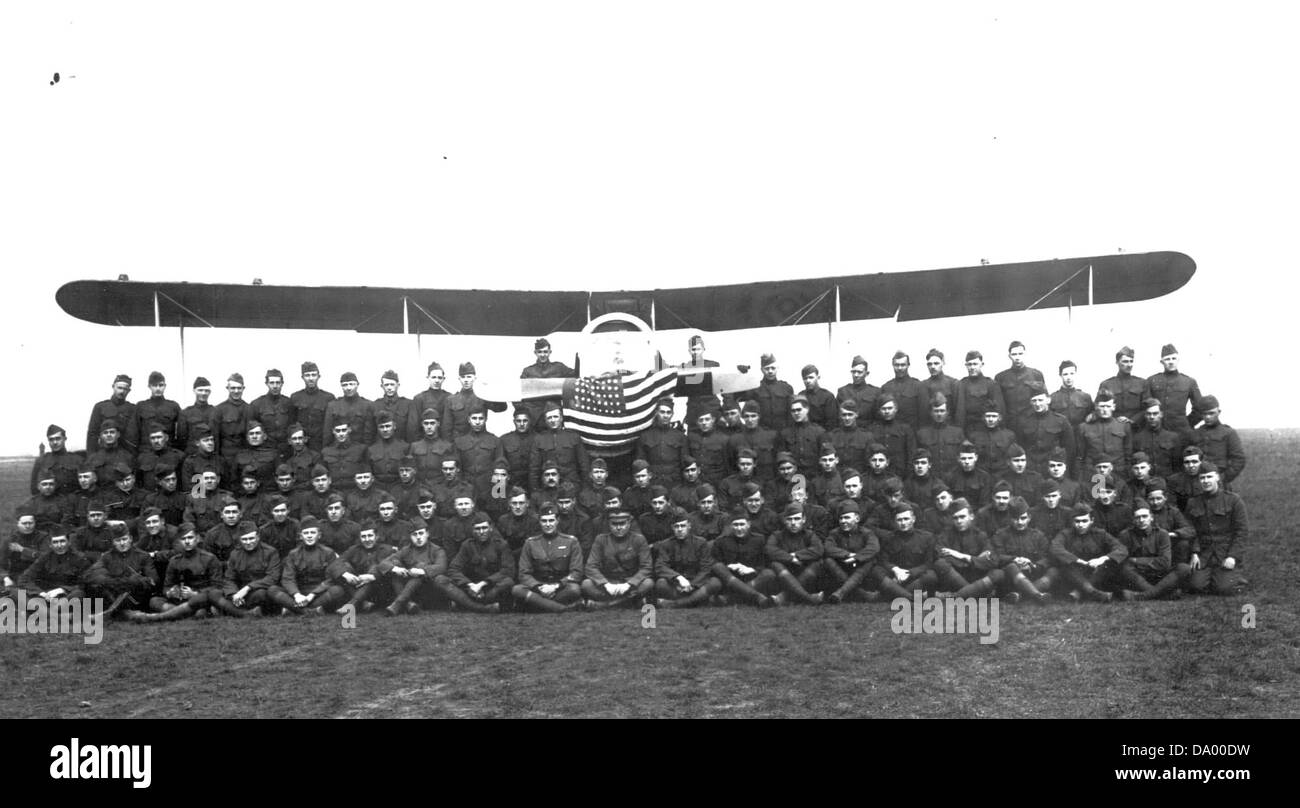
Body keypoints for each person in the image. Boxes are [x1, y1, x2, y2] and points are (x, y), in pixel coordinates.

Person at [124, 523, 223, 622]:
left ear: (197, 539)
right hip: (179, 601)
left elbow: (217, 587)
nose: (187, 541)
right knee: (154, 601)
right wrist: (170, 593)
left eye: (190, 538)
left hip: (200, 599)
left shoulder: (209, 558)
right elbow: (167, 586)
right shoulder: (174, 561)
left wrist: (195, 593)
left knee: (201, 610)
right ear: (179, 541)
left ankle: (160, 617)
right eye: (183, 539)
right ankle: (185, 614)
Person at [1185, 462, 1248, 595]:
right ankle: (1216, 576)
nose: (1206, 481)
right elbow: (1190, 529)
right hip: (1204, 553)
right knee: (1196, 587)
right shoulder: (1193, 502)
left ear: (1217, 477)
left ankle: (1234, 578)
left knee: (1223, 589)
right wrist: (1195, 552)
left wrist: (1233, 556)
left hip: (1225, 552)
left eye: (1209, 477)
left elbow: (1241, 532)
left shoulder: (1233, 500)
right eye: (1202, 478)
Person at [512, 503, 585, 613]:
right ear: (539, 522)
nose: (548, 524)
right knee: (517, 589)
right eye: (544, 521)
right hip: (538, 587)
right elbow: (523, 573)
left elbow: (576, 572)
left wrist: (556, 586)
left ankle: (535, 605)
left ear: (557, 521)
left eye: (551, 520)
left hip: (560, 588)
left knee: (574, 589)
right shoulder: (530, 543)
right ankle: (563, 608)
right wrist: (538, 587)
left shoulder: (571, 542)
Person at [1048, 503, 1126, 602]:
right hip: (1073, 572)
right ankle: (1094, 593)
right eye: (1077, 521)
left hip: (1095, 572)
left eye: (1084, 521)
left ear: (1091, 521)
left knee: (1109, 564)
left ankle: (1078, 592)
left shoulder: (1100, 534)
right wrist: (1079, 561)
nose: (1080, 525)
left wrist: (1101, 559)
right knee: (1064, 565)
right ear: (1072, 521)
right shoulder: (1065, 534)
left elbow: (1121, 548)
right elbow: (1055, 548)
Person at [1114, 500, 1191, 601]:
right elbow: (1124, 561)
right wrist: (1150, 561)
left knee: (1184, 568)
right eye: (1137, 517)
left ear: (1151, 517)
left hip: (1160, 575)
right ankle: (1164, 595)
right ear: (1133, 519)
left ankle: (1142, 596)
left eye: (1145, 516)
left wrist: (1136, 561)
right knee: (1123, 569)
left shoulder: (1162, 534)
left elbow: (1165, 562)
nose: (1141, 520)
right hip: (1138, 577)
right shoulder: (1125, 535)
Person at [439, 513, 515, 613]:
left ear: (491, 528)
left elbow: (508, 570)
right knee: (441, 580)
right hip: (470, 589)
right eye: (478, 529)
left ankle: (464, 604)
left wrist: (483, 584)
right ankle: (483, 608)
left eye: (484, 528)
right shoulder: (467, 545)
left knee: (508, 582)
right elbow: (454, 569)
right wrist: (469, 585)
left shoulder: (501, 544)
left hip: (491, 589)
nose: (481, 532)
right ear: (473, 530)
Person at [582, 508, 654, 609]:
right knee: (586, 584)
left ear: (629, 523)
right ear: (609, 525)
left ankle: (606, 605)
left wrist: (630, 584)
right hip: (609, 581)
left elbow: (646, 567)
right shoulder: (601, 539)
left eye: (622, 524)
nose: (619, 527)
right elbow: (591, 566)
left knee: (648, 583)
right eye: (614, 524)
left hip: (630, 582)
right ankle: (630, 602)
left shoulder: (639, 539)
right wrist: (605, 584)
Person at [651, 508, 722, 608]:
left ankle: (676, 604)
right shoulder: (665, 544)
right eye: (676, 526)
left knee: (715, 582)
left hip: (697, 584)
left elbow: (706, 568)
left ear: (689, 526)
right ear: (672, 527)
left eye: (683, 526)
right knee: (661, 584)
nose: (680, 529)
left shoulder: (701, 543)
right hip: (676, 585)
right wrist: (678, 578)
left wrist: (692, 585)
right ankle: (697, 600)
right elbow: (660, 566)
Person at [763, 504, 831, 605]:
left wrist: (796, 555)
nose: (793, 523)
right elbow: (769, 550)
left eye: (797, 519)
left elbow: (818, 550)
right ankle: (809, 598)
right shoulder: (777, 535)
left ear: (803, 519)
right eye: (789, 519)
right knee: (775, 564)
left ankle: (783, 597)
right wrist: (790, 558)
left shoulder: (809, 534)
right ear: (785, 520)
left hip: (805, 573)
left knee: (818, 563)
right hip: (785, 574)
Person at [378, 517, 448, 615]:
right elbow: (383, 563)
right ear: (410, 537)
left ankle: (398, 604)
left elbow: (442, 567)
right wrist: (395, 568)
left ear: (427, 534)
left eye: (421, 533)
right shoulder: (406, 550)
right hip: (411, 593)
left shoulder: (436, 550)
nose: (418, 537)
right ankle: (409, 604)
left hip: (428, 591)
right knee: (395, 564)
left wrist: (423, 571)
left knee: (420, 567)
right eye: (414, 534)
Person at [709, 507, 778, 607]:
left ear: (748, 524)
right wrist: (729, 567)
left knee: (769, 574)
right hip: (730, 580)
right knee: (717, 566)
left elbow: (764, 562)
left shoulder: (759, 540)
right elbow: (717, 565)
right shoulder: (721, 541)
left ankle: (729, 598)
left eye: (742, 524)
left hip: (751, 578)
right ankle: (758, 597)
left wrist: (752, 570)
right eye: (735, 525)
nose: (739, 528)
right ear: (731, 526)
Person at [988, 496, 1053, 602]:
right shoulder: (1001, 534)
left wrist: (1033, 565)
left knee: (1053, 571)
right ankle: (1038, 595)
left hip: (1032, 574)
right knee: (1011, 567)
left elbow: (1046, 557)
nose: (1020, 522)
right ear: (1010, 518)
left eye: (1023, 518)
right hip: (1009, 578)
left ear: (1029, 518)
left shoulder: (1038, 535)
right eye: (1015, 518)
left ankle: (1020, 595)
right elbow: (996, 556)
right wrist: (1015, 559)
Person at [279, 516, 348, 614]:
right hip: (300, 591)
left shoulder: (328, 552)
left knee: (338, 590)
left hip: (319, 592)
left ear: (319, 535)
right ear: (300, 536)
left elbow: (330, 579)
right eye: (306, 533)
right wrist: (297, 595)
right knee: (272, 590)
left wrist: (313, 594)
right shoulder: (293, 554)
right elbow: (287, 578)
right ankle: (311, 610)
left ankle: (295, 609)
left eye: (313, 532)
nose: (309, 536)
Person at [220, 521, 292, 617]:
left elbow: (272, 577)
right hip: (240, 593)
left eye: (251, 538)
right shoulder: (235, 554)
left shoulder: (270, 552)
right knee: (215, 594)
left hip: (258, 591)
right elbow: (229, 578)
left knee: (262, 594)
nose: (248, 542)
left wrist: (248, 588)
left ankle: (231, 610)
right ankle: (247, 612)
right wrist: (233, 594)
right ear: (240, 539)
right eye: (244, 539)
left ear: (258, 537)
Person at [84, 526, 158, 617]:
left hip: (135, 598)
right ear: (113, 542)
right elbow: (90, 575)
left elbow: (153, 580)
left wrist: (138, 581)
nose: (122, 543)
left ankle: (114, 612)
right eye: (118, 540)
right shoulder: (107, 557)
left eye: (124, 539)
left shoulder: (143, 556)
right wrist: (126, 581)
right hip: (113, 595)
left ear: (130, 539)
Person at [932, 498, 1000, 598]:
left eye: (962, 517)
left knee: (999, 573)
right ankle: (976, 593)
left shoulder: (980, 535)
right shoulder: (945, 535)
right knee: (940, 564)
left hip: (976, 576)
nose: (959, 521)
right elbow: (940, 554)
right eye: (955, 518)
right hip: (955, 578)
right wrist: (974, 561)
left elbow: (992, 561)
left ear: (971, 516)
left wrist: (961, 556)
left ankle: (955, 596)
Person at [871, 502, 940, 600]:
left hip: (915, 578)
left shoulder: (927, 537)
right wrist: (896, 569)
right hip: (895, 578)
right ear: (895, 521)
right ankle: (910, 597)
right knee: (876, 571)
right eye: (899, 520)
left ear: (913, 519)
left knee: (931, 576)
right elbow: (883, 561)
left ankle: (892, 594)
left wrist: (909, 573)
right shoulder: (888, 538)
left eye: (906, 519)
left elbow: (928, 563)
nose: (903, 523)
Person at [821, 500, 882, 603]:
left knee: (870, 561)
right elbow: (828, 547)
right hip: (842, 568)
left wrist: (856, 557)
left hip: (860, 570)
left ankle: (840, 592)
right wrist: (847, 555)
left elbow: (874, 548)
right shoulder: (834, 533)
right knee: (828, 560)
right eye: (841, 518)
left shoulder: (866, 533)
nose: (843, 521)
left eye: (847, 517)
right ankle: (863, 594)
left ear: (857, 518)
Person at [11, 530, 90, 605]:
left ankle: (43, 612)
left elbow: (85, 583)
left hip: (66, 595)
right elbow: (24, 578)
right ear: (50, 545)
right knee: (15, 592)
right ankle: (52, 614)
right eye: (55, 542)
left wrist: (62, 589)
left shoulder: (80, 558)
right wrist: (41, 593)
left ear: (69, 543)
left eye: (62, 541)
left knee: (78, 594)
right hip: (45, 595)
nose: (59, 545)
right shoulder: (44, 557)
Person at [336, 520, 398, 613]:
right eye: (363, 536)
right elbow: (337, 563)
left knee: (375, 568)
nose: (367, 539)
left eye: (370, 536)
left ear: (377, 537)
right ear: (360, 538)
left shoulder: (388, 550)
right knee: (343, 568)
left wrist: (373, 576)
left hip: (382, 591)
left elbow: (395, 566)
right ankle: (363, 603)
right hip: (360, 589)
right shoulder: (354, 550)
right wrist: (346, 574)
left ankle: (352, 604)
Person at [519, 338, 577, 432]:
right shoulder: (528, 371)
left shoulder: (559, 368)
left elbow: (575, 377)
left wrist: (579, 360)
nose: (543, 355)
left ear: (550, 352)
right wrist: (526, 411)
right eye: (540, 352)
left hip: (554, 414)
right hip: (535, 418)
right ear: (535, 353)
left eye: (545, 352)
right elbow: (518, 392)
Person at [1143, 344, 1203, 435]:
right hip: (1158, 432)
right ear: (1161, 362)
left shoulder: (1189, 382)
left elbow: (1200, 408)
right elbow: (1145, 406)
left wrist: (1186, 423)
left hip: (1181, 432)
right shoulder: (1152, 381)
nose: (1171, 362)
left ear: (1178, 360)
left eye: (1173, 358)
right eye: (1167, 359)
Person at [1019, 382, 1075, 476]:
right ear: (1030, 402)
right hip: (1030, 470)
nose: (1037, 404)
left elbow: (1069, 449)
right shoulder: (1024, 421)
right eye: (1034, 400)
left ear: (1048, 400)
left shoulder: (1061, 421)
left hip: (1052, 470)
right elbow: (1021, 447)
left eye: (1040, 400)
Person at [530, 404, 589, 489]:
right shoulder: (539, 439)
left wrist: (585, 488)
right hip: (548, 485)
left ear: (561, 418)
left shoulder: (573, 437)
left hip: (572, 484)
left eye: (555, 417)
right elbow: (534, 468)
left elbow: (584, 465)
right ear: (545, 420)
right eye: (549, 418)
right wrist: (535, 490)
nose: (553, 420)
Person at [442, 362, 506, 439]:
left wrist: (491, 389)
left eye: (469, 377)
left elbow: (501, 408)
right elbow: (446, 427)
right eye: (463, 377)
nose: (466, 380)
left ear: (474, 378)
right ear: (459, 379)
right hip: (458, 442)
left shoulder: (482, 396)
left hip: (479, 441)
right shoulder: (451, 400)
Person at [1192, 395, 1245, 486]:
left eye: (1211, 413)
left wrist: (1223, 478)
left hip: (1220, 481)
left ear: (1218, 412)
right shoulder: (1196, 433)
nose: (1208, 417)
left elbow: (1239, 459)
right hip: (1198, 481)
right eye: (1205, 414)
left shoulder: (1228, 433)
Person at [1076, 390, 1131, 479]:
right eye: (1102, 406)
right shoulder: (1084, 427)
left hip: (1118, 473)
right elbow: (1080, 456)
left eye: (1108, 406)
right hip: (1093, 474)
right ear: (1096, 407)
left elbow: (1128, 456)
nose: (1105, 410)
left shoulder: (1123, 426)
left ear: (1114, 407)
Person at [994, 341, 1046, 434]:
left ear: (1024, 354)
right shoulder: (1000, 377)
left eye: (1020, 354)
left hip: (1031, 425)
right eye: (1014, 354)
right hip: (1009, 426)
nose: (1017, 357)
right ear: (1009, 355)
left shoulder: (1036, 375)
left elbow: (1043, 400)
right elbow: (998, 405)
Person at [637, 398, 687, 486]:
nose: (665, 415)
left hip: (674, 483)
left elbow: (684, 463)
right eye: (662, 412)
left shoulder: (680, 436)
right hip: (653, 483)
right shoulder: (645, 436)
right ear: (656, 413)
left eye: (668, 412)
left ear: (672, 414)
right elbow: (640, 464)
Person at [739, 353, 795, 432]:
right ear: (761, 369)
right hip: (763, 432)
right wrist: (741, 376)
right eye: (767, 368)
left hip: (783, 431)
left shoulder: (786, 388)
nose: (770, 371)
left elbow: (791, 413)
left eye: (773, 368)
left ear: (777, 368)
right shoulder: (755, 389)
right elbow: (737, 397)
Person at [914, 393, 965, 480]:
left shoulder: (957, 433)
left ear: (947, 412)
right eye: (936, 411)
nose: (939, 414)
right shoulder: (922, 434)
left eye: (942, 411)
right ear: (931, 412)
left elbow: (963, 456)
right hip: (931, 479)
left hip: (954, 478)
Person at [88, 374, 140, 455]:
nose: (122, 391)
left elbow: (135, 435)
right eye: (119, 388)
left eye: (125, 389)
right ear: (113, 387)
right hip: (103, 451)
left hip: (125, 453)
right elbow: (92, 434)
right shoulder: (100, 407)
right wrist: (91, 456)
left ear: (129, 390)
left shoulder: (133, 409)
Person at [728, 401, 780, 483]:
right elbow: (731, 465)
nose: (750, 419)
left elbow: (777, 462)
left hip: (767, 481)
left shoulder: (771, 436)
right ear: (742, 417)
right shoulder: (735, 439)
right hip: (744, 483)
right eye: (746, 416)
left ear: (759, 416)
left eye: (753, 416)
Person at [678, 334, 722, 430]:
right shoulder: (684, 367)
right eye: (693, 349)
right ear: (689, 351)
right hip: (694, 410)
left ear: (703, 349)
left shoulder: (713, 365)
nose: (695, 352)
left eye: (698, 349)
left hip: (712, 407)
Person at [290, 361, 336, 451]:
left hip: (321, 444)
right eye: (307, 375)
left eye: (314, 375)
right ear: (302, 377)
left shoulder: (328, 397)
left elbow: (331, 425)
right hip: (301, 445)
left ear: (319, 376)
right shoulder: (295, 397)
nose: (311, 378)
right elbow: (292, 423)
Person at [957, 350, 1005, 433]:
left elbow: (999, 410)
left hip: (986, 429)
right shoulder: (961, 384)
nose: (972, 367)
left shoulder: (991, 384)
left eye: (975, 364)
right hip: (967, 429)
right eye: (969, 364)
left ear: (982, 364)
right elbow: (959, 412)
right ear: (966, 365)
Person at [324, 371, 376, 448]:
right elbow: (327, 433)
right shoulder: (333, 406)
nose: (348, 388)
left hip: (360, 450)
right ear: (341, 386)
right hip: (338, 450)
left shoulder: (367, 405)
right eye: (345, 385)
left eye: (352, 384)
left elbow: (369, 433)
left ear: (357, 385)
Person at [249, 369, 294, 454]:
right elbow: (251, 430)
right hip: (265, 450)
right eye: (272, 383)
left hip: (285, 450)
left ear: (282, 384)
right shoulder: (257, 404)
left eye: (278, 383)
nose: (275, 386)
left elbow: (292, 426)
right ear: (267, 384)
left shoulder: (289, 403)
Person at [31, 424, 83, 497]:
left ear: (65, 439)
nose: (55, 442)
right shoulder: (41, 461)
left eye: (58, 438)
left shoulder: (77, 460)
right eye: (51, 439)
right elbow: (34, 489)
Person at [1097, 346, 1145, 424]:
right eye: (1125, 361)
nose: (1129, 365)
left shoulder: (1142, 383)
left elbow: (1146, 407)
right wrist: (1115, 420)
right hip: (1113, 426)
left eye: (1131, 361)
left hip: (1136, 428)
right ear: (1117, 362)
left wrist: (1132, 420)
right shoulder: (1106, 384)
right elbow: (1099, 406)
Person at [781, 396, 827, 477]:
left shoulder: (819, 432)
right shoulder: (785, 433)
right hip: (793, 476)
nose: (796, 413)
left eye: (799, 410)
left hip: (814, 475)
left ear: (807, 409)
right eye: (793, 411)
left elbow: (824, 456)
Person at [86, 420, 134, 493]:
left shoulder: (127, 456)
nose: (109, 435)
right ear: (101, 436)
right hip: (101, 496)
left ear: (118, 434)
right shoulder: (93, 458)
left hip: (122, 495)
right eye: (105, 433)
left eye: (112, 432)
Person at [880, 351, 924, 431]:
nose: (900, 368)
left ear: (908, 365)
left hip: (912, 432)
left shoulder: (918, 386)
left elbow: (923, 414)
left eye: (903, 365)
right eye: (897, 365)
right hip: (892, 433)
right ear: (893, 365)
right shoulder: (886, 387)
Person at [921, 349, 965, 429]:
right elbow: (922, 413)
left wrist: (958, 432)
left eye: (936, 363)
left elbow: (959, 412)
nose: (933, 367)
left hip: (950, 429)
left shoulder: (954, 383)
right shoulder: (923, 385)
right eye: (929, 364)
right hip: (930, 431)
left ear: (943, 363)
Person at [367, 411, 410, 490]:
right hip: (378, 488)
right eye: (382, 427)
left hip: (399, 487)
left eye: (388, 426)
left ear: (394, 426)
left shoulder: (404, 447)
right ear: (378, 429)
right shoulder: (371, 449)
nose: (385, 430)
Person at [874, 395, 915, 478]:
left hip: (900, 474)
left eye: (890, 408)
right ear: (879, 411)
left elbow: (911, 453)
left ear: (895, 409)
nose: (887, 411)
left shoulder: (905, 429)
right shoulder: (873, 429)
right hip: (879, 474)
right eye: (884, 409)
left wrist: (908, 474)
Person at [136, 422, 185, 492]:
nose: (156, 441)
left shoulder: (178, 456)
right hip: (148, 499)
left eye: (159, 437)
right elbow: (138, 482)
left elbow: (182, 483)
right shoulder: (142, 458)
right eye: (153, 438)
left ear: (166, 438)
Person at [213, 373, 251, 463]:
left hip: (244, 455)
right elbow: (215, 436)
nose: (236, 391)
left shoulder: (249, 408)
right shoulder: (219, 409)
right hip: (226, 456)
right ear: (228, 388)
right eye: (233, 388)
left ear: (243, 388)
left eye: (239, 388)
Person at [836, 355, 880, 431]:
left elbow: (878, 418)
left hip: (868, 432)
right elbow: (837, 416)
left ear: (867, 373)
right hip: (847, 432)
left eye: (859, 372)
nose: (856, 375)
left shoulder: (875, 392)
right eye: (853, 372)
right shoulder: (843, 391)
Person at [969, 406, 1016, 475]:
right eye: (988, 416)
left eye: (994, 416)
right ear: (983, 418)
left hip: (1003, 473)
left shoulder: (1009, 435)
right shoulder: (974, 436)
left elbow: (1014, 457)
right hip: (981, 473)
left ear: (999, 418)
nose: (990, 419)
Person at [828, 399, 872, 473]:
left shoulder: (866, 436)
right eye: (844, 415)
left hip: (859, 477)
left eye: (850, 414)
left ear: (856, 414)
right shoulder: (832, 436)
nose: (847, 418)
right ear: (840, 416)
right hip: (839, 477)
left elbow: (869, 462)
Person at [321, 423, 369, 491]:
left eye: (344, 430)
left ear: (349, 430)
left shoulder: (360, 449)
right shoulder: (326, 451)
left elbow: (367, 471)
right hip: (334, 490)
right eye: (338, 431)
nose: (341, 434)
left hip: (355, 490)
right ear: (333, 431)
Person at [409, 362, 451, 440]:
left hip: (444, 442)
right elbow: (414, 426)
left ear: (443, 379)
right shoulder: (419, 398)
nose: (437, 380)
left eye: (439, 377)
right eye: (433, 377)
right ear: (428, 377)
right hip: (424, 441)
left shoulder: (449, 398)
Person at [688, 412, 731, 487]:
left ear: (713, 420)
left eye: (707, 419)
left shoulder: (724, 439)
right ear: (697, 422)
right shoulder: (692, 438)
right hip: (697, 482)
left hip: (716, 482)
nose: (704, 423)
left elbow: (727, 465)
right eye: (701, 420)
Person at [375, 369, 416, 443]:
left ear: (398, 385)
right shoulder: (376, 405)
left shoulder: (408, 404)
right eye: (386, 385)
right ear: (382, 386)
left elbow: (411, 430)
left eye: (392, 384)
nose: (389, 388)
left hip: (402, 447)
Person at [177, 377, 216, 454]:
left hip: (212, 454)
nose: (203, 393)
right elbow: (181, 438)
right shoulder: (185, 413)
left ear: (210, 392)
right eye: (200, 390)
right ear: (194, 391)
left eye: (206, 391)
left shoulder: (216, 411)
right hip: (192, 454)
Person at [499, 410, 535, 494]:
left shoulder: (537, 439)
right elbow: (500, 466)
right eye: (518, 421)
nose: (522, 424)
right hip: (511, 484)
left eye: (525, 421)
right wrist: (502, 489)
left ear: (530, 421)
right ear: (514, 421)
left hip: (532, 483)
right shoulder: (504, 440)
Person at [1050, 360, 1093, 428]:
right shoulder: (1052, 398)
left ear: (1075, 374)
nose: (1069, 377)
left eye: (1072, 373)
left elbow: (1091, 419)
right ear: (1060, 375)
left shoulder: (1085, 397)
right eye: (1065, 374)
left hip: (1080, 435)